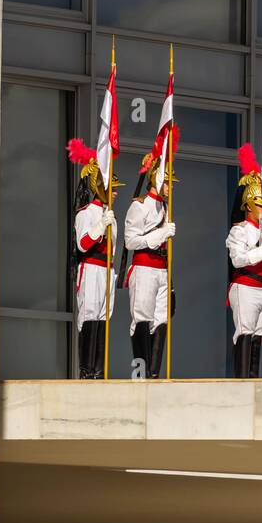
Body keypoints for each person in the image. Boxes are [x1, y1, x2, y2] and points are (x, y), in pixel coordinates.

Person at [67, 138, 122, 378]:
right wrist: (100, 225)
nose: (117, 191)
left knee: (102, 319)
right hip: (90, 269)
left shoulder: (109, 214)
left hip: (106, 270)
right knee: (89, 317)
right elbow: (82, 243)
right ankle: (86, 371)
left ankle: (99, 371)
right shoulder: (87, 213)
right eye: (113, 186)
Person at [226, 143, 262, 378]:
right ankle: (241, 382)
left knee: (259, 335)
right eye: (260, 205)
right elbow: (238, 260)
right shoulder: (239, 231)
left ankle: (254, 379)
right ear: (248, 206)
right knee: (245, 333)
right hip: (246, 286)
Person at [122, 153, 177, 378]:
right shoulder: (140, 206)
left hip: (161, 269)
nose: (170, 187)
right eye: (167, 182)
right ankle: (141, 374)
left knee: (161, 320)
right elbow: (130, 241)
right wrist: (159, 234)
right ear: (155, 180)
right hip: (144, 267)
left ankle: (154, 373)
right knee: (142, 319)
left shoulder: (164, 208)